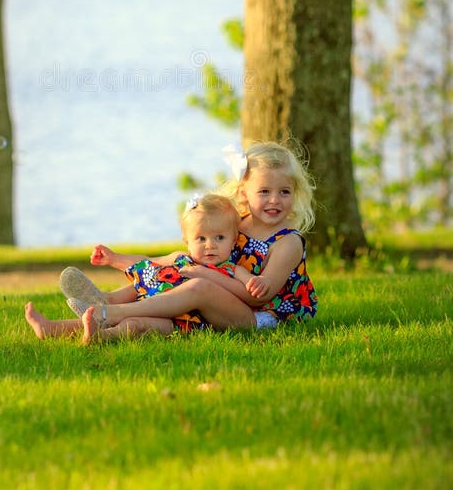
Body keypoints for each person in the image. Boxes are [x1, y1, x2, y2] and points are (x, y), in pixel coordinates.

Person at [25, 140, 317, 344]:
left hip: (257, 318)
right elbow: (191, 258)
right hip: (218, 306)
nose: (274, 200)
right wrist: (115, 258)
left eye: (284, 192)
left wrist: (205, 274)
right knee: (172, 275)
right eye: (264, 191)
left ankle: (111, 310)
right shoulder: (235, 223)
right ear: (244, 193)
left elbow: (257, 298)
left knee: (198, 283)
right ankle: (64, 329)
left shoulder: (287, 242)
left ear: (296, 193)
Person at [25, 193, 252, 342]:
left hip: (185, 322)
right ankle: (53, 328)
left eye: (219, 238)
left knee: (133, 326)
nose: (210, 245)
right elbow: (144, 261)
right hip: (153, 304)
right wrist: (114, 258)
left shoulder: (232, 269)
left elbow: (246, 294)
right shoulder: (180, 257)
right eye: (201, 239)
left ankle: (101, 332)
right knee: (153, 272)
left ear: (233, 240)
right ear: (187, 241)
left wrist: (257, 283)